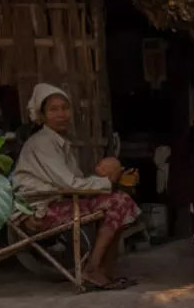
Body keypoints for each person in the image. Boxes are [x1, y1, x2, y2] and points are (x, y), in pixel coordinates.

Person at [13, 84, 140, 290]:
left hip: (58, 201)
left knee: (119, 202)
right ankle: (92, 269)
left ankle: (104, 270)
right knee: (119, 201)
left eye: (65, 108)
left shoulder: (60, 142)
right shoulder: (43, 142)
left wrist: (105, 181)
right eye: (54, 110)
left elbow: (73, 181)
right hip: (39, 212)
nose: (61, 114)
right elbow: (70, 184)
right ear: (42, 115)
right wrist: (108, 182)